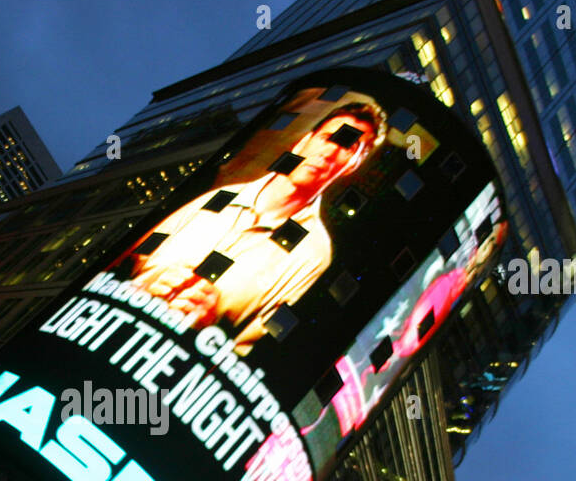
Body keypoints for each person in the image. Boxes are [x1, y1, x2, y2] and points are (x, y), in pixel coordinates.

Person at [128, 101, 388, 353]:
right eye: (328, 137)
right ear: (304, 141)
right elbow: (133, 254)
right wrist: (150, 282)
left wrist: (210, 324)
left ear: (354, 164)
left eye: (348, 146)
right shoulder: (220, 196)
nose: (329, 152)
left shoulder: (315, 253)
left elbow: (258, 346)